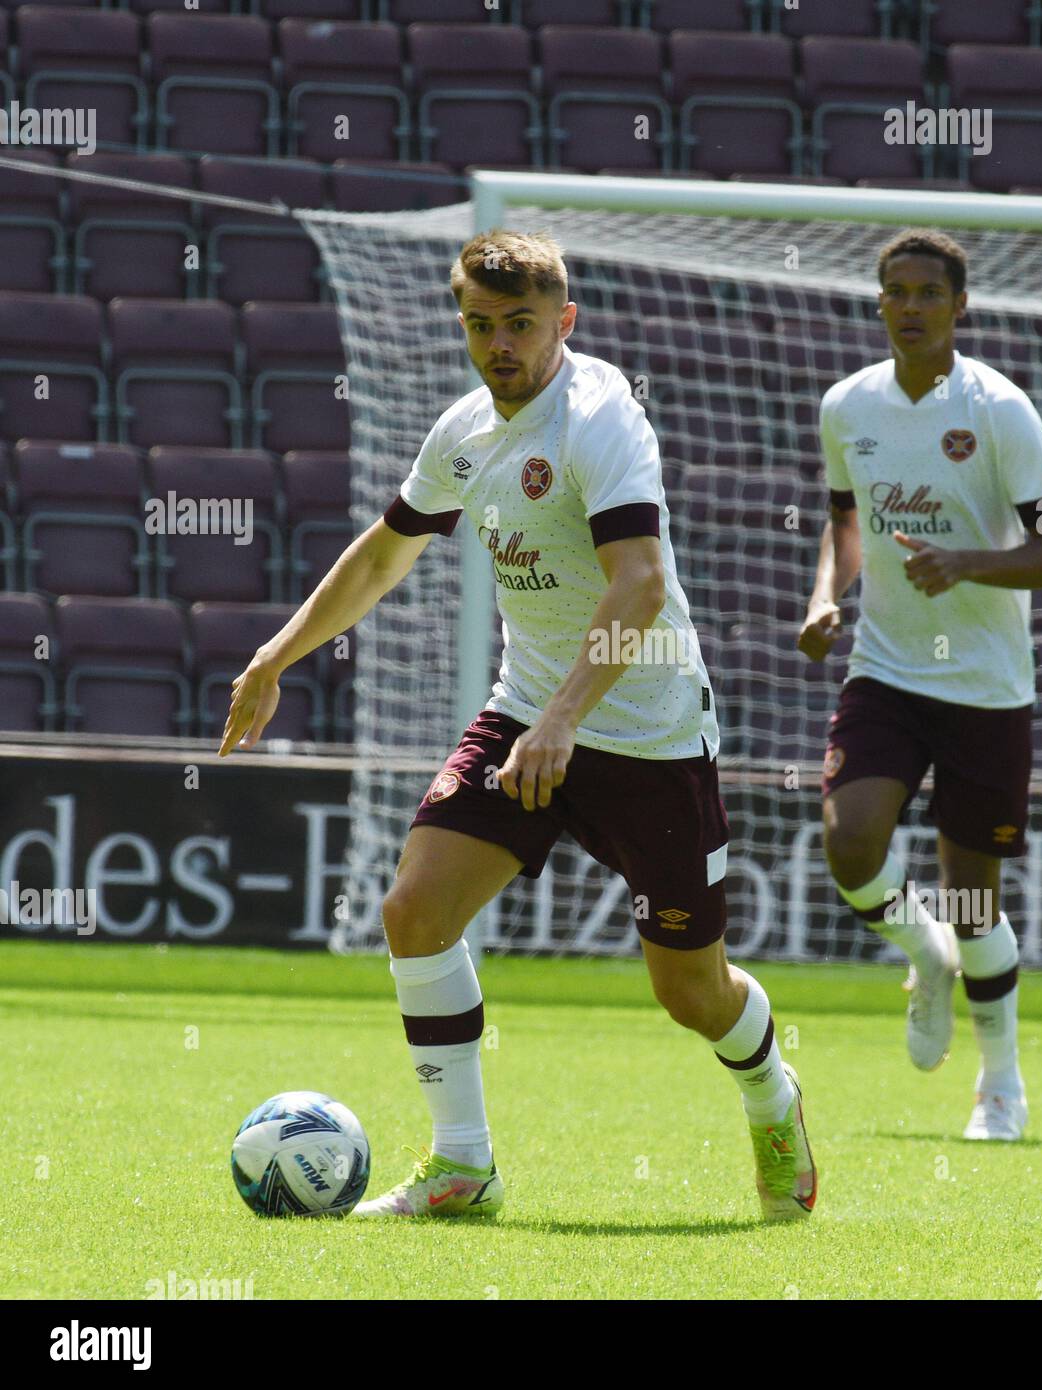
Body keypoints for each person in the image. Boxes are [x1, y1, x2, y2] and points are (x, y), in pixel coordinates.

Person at [222, 229, 816, 1219]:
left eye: (520, 325)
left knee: (690, 992)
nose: (499, 344)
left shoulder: (599, 417)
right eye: (480, 325)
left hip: (644, 731)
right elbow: (382, 553)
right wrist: (275, 654)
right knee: (414, 911)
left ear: (563, 322)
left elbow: (639, 582)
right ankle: (463, 1165)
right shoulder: (464, 428)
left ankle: (770, 1089)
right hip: (523, 716)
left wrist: (566, 720)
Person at [797, 229, 1042, 1140]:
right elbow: (845, 522)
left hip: (988, 689)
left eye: (927, 292)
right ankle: (927, 955)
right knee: (849, 845)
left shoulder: (1000, 411)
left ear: (961, 306)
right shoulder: (848, 405)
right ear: (878, 303)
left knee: (974, 899)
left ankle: (1000, 1084)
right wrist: (825, 597)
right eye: (894, 292)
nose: (909, 307)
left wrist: (964, 563)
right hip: (886, 669)